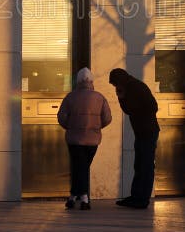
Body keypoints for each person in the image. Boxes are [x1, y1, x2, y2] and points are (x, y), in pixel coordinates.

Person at [57, 67, 112, 210]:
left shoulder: (70, 97)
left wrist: (70, 127)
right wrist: (96, 127)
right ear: (91, 81)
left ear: (77, 81)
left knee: (79, 167)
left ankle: (80, 198)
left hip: (74, 139)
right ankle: (78, 197)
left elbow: (61, 117)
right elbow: (107, 118)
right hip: (93, 140)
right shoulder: (100, 98)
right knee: (82, 167)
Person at [109, 67, 159, 209]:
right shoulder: (130, 87)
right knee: (140, 164)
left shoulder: (136, 87)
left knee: (145, 165)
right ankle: (137, 196)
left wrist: (136, 111)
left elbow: (151, 107)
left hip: (147, 131)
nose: (115, 87)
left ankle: (142, 199)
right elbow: (128, 110)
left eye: (115, 84)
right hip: (142, 131)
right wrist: (122, 97)